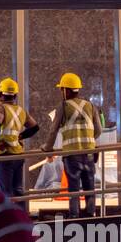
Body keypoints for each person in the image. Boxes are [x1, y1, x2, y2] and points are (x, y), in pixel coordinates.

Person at [43, 71, 103, 218]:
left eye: (61, 89)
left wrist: (48, 148)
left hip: (72, 156)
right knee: (89, 186)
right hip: (89, 153)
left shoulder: (63, 107)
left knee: (74, 188)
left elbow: (53, 131)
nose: (61, 92)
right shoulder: (90, 105)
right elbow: (99, 130)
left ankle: (74, 215)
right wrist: (87, 139)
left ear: (66, 90)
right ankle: (90, 214)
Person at [0, 77, 38, 205]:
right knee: (18, 190)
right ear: (15, 95)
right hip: (18, 155)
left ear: (0, 94)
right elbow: (35, 127)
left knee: (6, 192)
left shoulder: (1, 108)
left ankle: (9, 220)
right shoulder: (21, 111)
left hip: (4, 156)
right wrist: (20, 137)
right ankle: (21, 216)